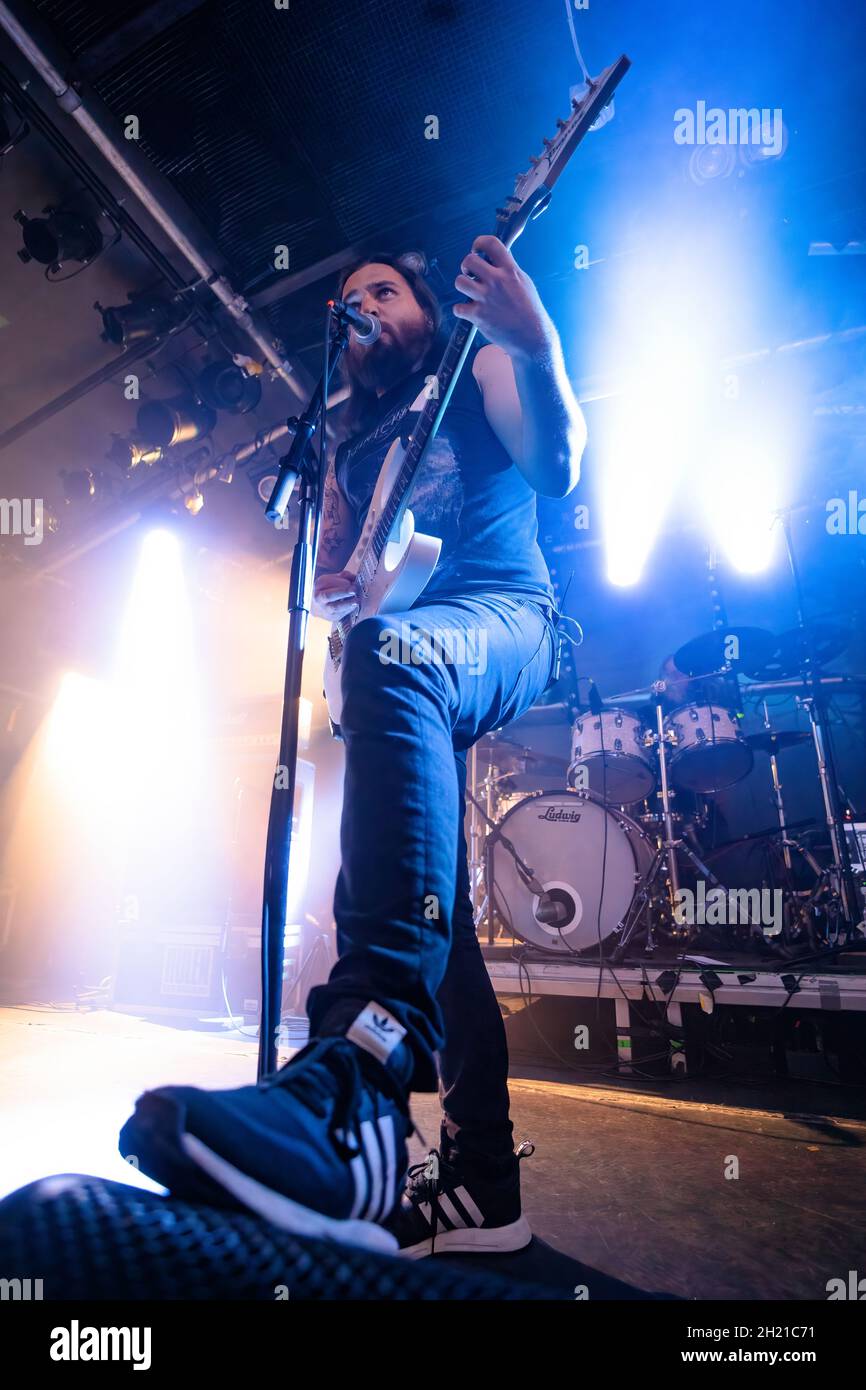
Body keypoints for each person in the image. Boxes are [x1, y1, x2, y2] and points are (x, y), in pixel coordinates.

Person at [119, 237, 586, 1256]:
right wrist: (342, 580)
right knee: (436, 906)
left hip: (506, 615)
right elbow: (343, 574)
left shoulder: (476, 357)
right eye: (345, 300)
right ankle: (482, 1178)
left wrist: (534, 337)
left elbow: (557, 465)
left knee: (397, 652)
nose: (360, 306)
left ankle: (359, 1078)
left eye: (380, 289)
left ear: (424, 306)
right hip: (406, 642)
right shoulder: (345, 431)